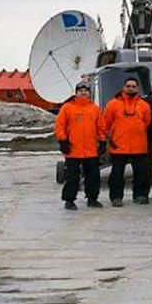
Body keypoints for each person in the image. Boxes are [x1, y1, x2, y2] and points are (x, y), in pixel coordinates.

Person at [55, 81, 105, 209]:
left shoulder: (95, 109)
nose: (83, 92)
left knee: (93, 176)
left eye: (86, 91)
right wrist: (63, 141)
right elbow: (60, 125)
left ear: (89, 93)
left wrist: (103, 142)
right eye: (80, 90)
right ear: (76, 93)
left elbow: (101, 127)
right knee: (72, 177)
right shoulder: (67, 108)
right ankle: (69, 200)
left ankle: (92, 198)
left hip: (91, 149)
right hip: (73, 149)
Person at [103, 76, 152, 206]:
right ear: (123, 87)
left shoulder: (144, 105)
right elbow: (106, 123)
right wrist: (109, 138)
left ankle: (140, 195)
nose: (130, 88)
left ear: (137, 88)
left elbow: (147, 122)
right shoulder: (112, 104)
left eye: (133, 86)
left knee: (140, 173)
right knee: (117, 174)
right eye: (128, 86)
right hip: (118, 145)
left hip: (139, 145)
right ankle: (116, 197)